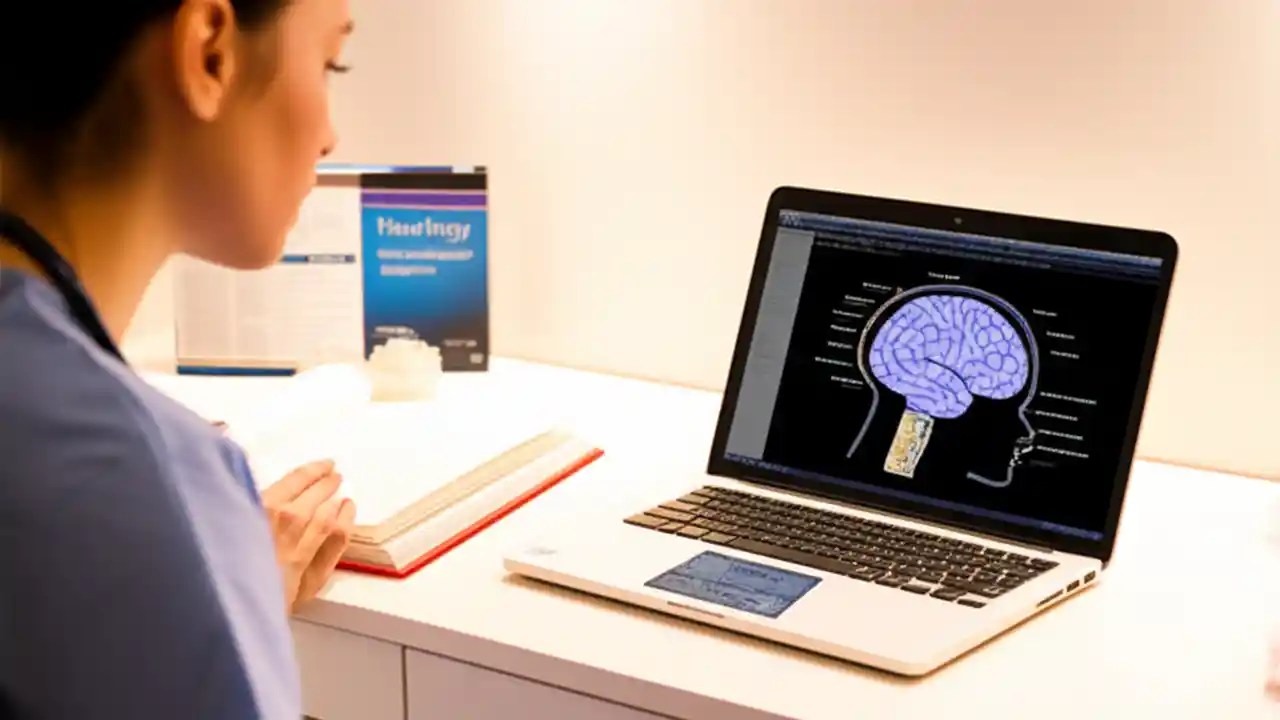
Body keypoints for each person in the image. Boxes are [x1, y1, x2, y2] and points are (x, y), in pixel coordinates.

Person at [0, 1, 355, 717]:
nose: (329, 135)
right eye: (328, 64)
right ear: (211, 52)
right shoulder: (139, 488)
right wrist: (207, 591)